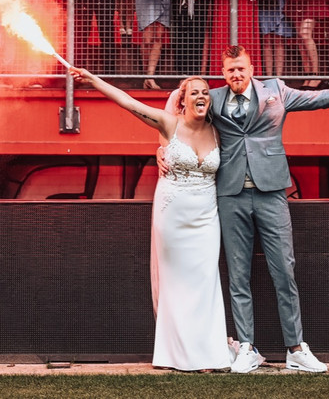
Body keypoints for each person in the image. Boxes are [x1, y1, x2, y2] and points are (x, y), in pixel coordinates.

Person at [160, 45, 329, 374]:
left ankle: (296, 349)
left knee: (284, 271)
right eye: (230, 71)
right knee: (238, 276)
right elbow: (182, 123)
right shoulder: (210, 98)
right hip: (231, 196)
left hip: (272, 193)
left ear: (252, 68)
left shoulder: (277, 91)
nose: (236, 75)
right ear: (223, 74)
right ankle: (247, 348)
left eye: (241, 69)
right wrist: (163, 148)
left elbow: (319, 100)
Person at [70, 69, 229, 372]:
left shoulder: (218, 129)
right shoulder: (170, 124)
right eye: (194, 92)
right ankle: (176, 355)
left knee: (206, 280)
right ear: (182, 100)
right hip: (172, 213)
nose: (201, 96)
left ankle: (209, 354)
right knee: (176, 283)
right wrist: (94, 81)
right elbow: (129, 104)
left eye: (205, 92)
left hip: (207, 216)